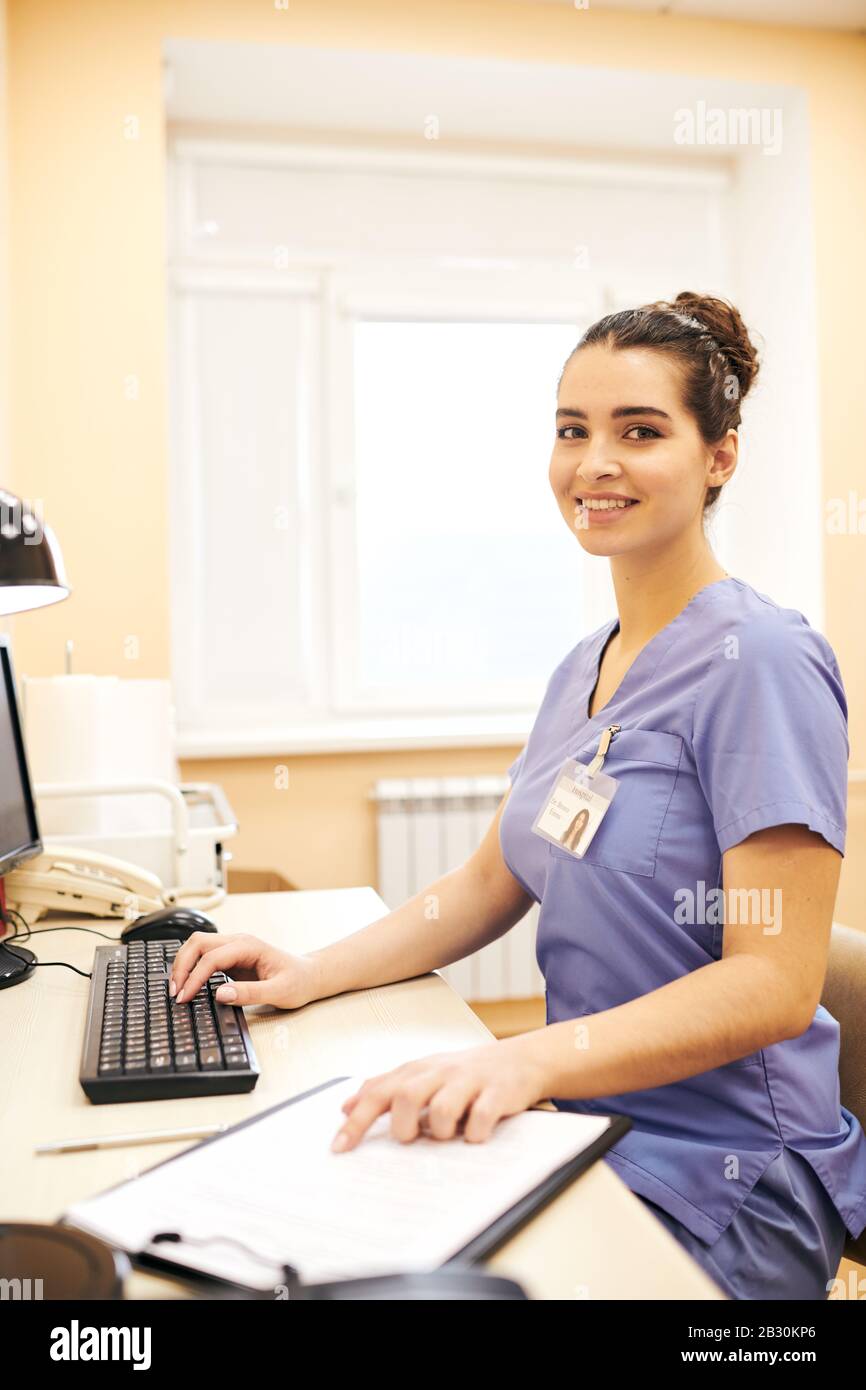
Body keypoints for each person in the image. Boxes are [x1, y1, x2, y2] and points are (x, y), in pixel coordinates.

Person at [169, 292, 866, 1301]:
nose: (594, 462)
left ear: (718, 455)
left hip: (726, 1171)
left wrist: (525, 1062)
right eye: (570, 431)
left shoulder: (760, 660)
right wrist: (310, 974)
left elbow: (773, 982)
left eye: (639, 431)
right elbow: (491, 876)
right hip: (583, 1122)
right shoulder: (584, 665)